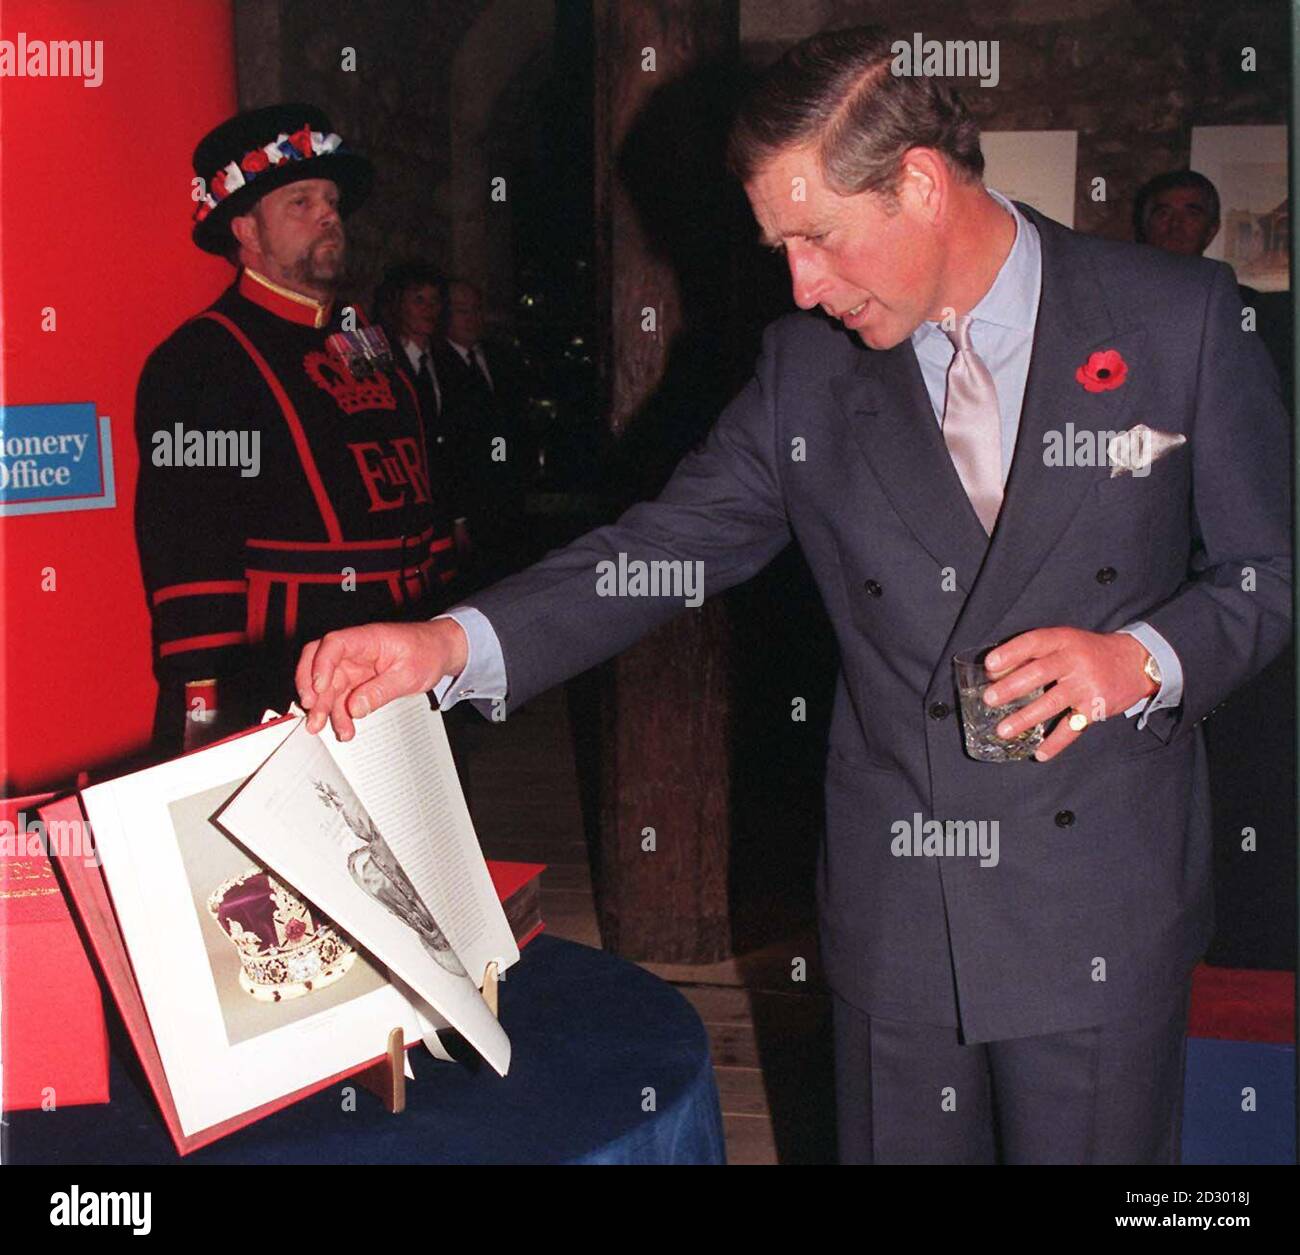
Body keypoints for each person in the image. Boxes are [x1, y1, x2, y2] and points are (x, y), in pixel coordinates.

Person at [293, 28, 1290, 1163]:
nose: (802, 285)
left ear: (921, 184)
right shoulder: (806, 370)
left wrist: (1140, 659)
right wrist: (447, 642)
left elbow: (1268, 572)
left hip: (1098, 903)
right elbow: (662, 546)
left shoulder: (1177, 317)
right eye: (781, 248)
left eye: (816, 237)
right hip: (898, 910)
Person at [134, 104, 457, 754]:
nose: (328, 215)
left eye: (331, 201)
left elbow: (422, 494)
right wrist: (207, 710)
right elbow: (190, 545)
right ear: (245, 229)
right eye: (301, 203)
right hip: (284, 669)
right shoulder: (204, 357)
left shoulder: (367, 341)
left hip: (400, 653)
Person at [1134, 169, 1292, 402]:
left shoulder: (1249, 307)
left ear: (1211, 230)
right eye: (1164, 213)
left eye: (1191, 214)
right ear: (1146, 226)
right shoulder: (1113, 299)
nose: (1175, 225)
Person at [435, 279, 533, 583]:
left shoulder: (500, 358)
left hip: (507, 497)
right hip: (469, 498)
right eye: (462, 311)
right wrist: (457, 516)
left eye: (476, 310)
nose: (472, 318)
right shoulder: (437, 364)